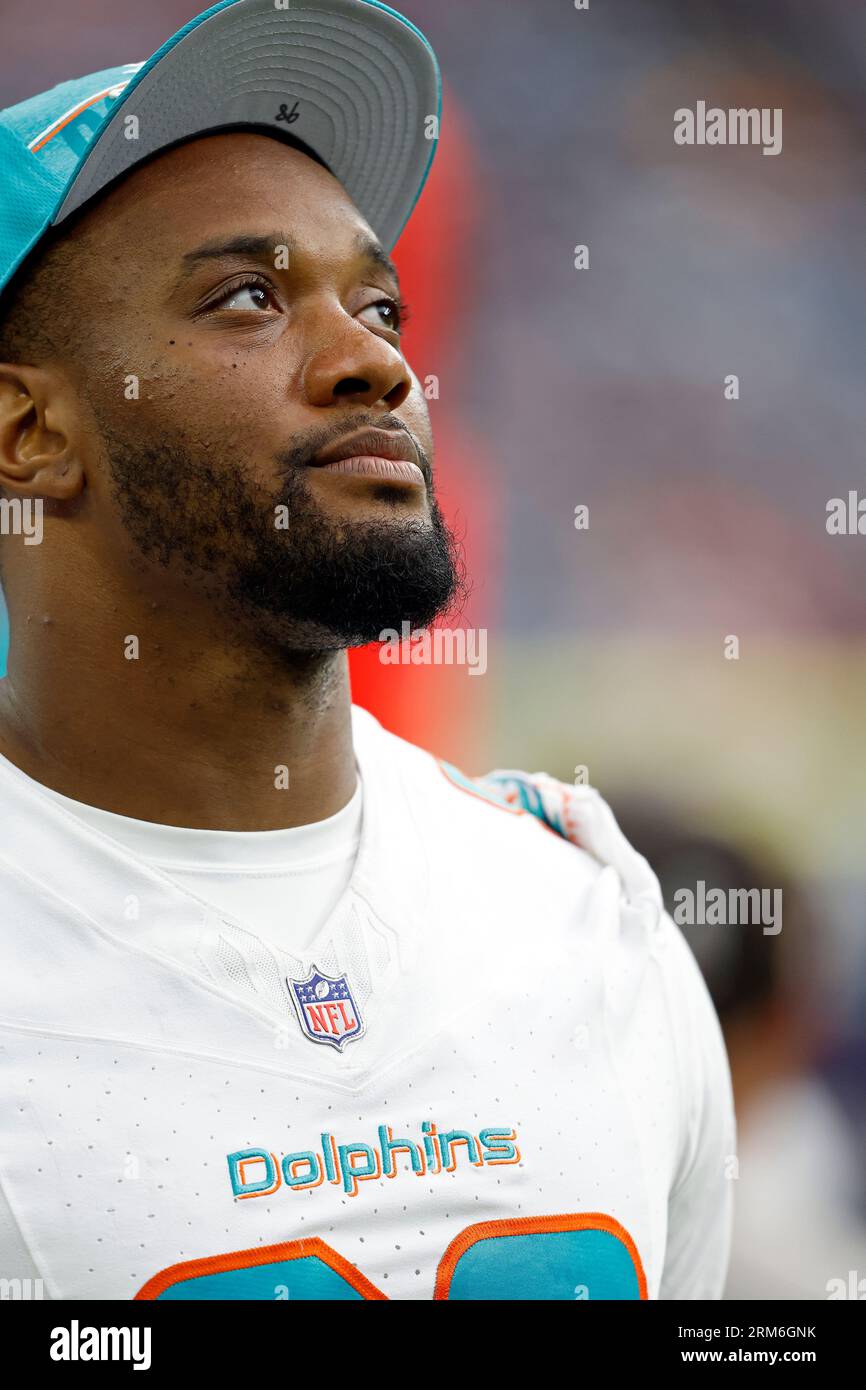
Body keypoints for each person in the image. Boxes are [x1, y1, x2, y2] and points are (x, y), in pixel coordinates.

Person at [0, 0, 734, 1300]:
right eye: (247, 297)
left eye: (378, 301)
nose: (377, 363)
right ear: (28, 434)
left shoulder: (583, 914)